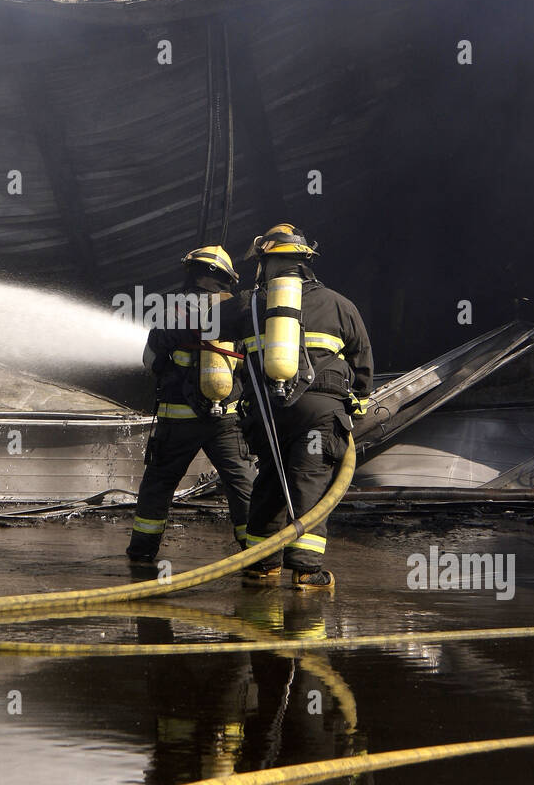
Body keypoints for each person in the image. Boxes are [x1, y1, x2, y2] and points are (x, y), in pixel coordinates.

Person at [218, 223, 373, 589]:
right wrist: (359, 404)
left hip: (267, 414)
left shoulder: (250, 305)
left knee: (270, 480)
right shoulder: (339, 304)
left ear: (265, 264)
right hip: (318, 412)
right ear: (306, 262)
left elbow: (208, 329)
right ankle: (306, 569)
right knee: (309, 481)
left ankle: (261, 563)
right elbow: (362, 358)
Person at [126, 245, 253, 565]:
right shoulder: (238, 309)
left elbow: (150, 361)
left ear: (191, 272)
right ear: (225, 277)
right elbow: (252, 362)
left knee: (159, 484)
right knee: (242, 485)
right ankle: (258, 555)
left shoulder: (171, 309)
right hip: (225, 419)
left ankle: (142, 552)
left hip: (177, 419)